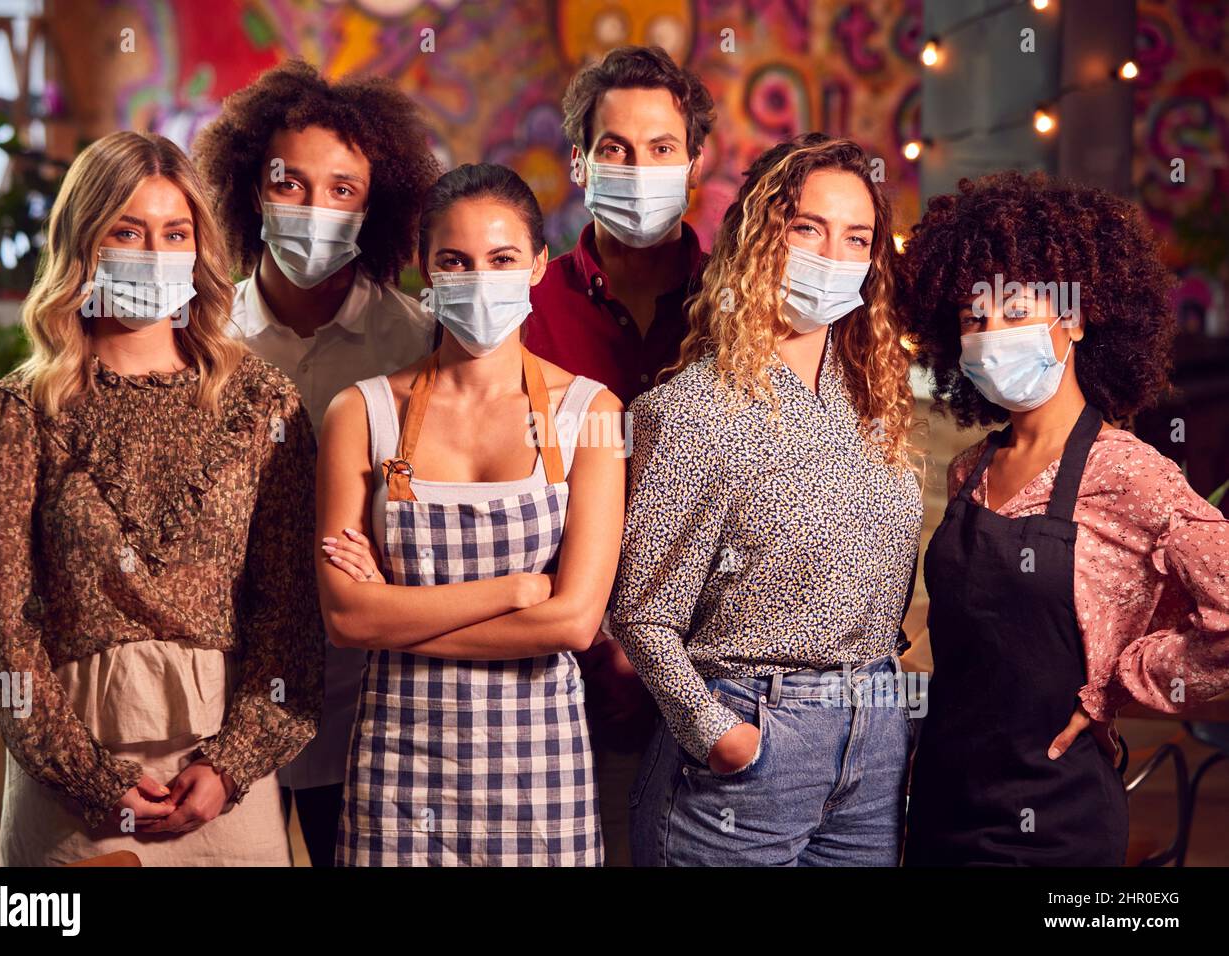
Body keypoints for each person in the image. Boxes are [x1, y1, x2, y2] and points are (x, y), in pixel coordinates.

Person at [0, 131, 322, 866]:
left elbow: (288, 612)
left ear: (200, 250)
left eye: (175, 232)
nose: (152, 252)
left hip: (226, 778)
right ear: (84, 244)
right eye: (126, 230)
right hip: (65, 772)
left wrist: (231, 765)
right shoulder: (22, 410)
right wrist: (87, 775)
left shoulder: (263, 404)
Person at [898, 171, 1229, 866]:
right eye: (972, 318)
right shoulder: (970, 471)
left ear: (1074, 318)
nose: (991, 336)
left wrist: (1122, 682)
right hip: (940, 802)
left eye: (1015, 311)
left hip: (1054, 821)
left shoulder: (1128, 473)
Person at [610, 134, 922, 866]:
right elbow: (642, 613)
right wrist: (722, 735)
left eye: (857, 237)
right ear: (760, 237)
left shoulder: (874, 404)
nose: (832, 254)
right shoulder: (692, 410)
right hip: (751, 742)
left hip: (874, 738)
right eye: (807, 227)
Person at [318, 163, 626, 865]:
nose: (478, 278)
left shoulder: (593, 415)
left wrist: (392, 617)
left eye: (502, 259)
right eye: (454, 261)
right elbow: (344, 619)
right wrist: (515, 593)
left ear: (539, 267)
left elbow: (575, 623)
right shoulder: (360, 414)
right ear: (425, 270)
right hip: (398, 767)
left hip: (542, 773)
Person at [192, 60, 438, 866]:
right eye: (288, 183)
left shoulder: (419, 341)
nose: (313, 209)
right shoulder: (197, 336)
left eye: (343, 190)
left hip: (364, 698)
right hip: (220, 698)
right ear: (249, 189)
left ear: (377, 206)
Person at [523, 43, 716, 864]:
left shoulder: (737, 307)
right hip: (551, 675)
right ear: (580, 162)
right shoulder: (522, 303)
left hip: (711, 678)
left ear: (695, 162)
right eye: (616, 149)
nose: (640, 168)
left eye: (662, 149)